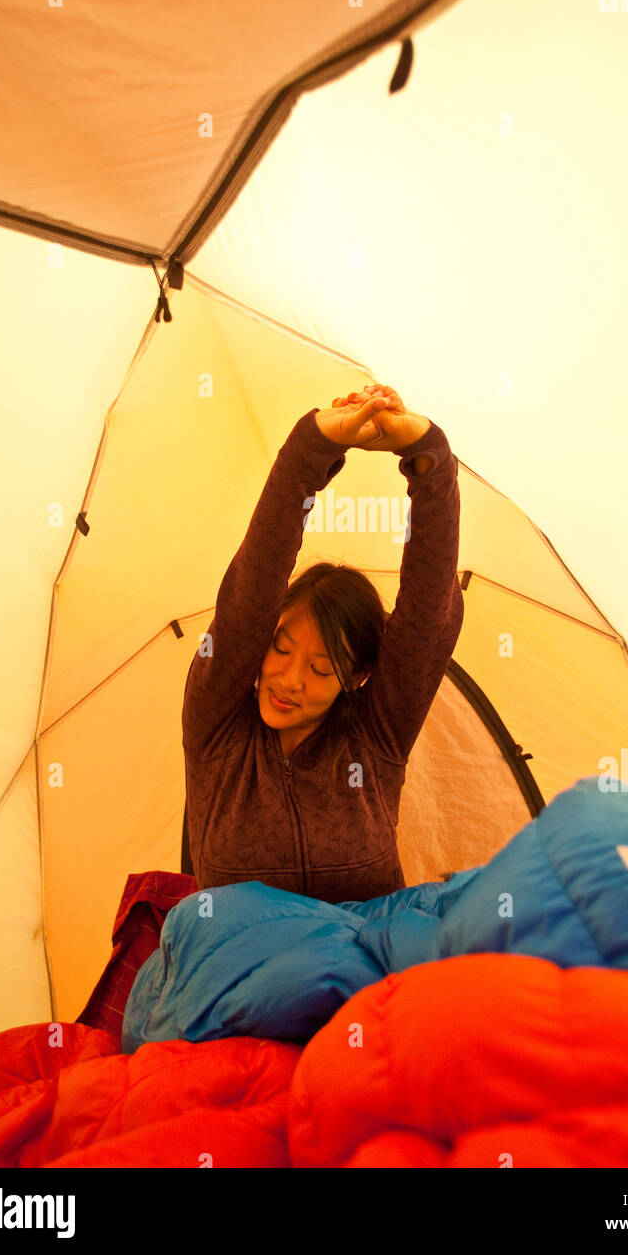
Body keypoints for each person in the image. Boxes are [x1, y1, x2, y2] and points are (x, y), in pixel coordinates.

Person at [182, 383, 464, 903]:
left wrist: (428, 455)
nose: (288, 681)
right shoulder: (216, 726)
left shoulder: (375, 738)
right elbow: (251, 591)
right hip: (243, 981)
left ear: (356, 677)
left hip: (367, 981)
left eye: (320, 668)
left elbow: (427, 619)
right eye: (281, 649)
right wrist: (311, 447)